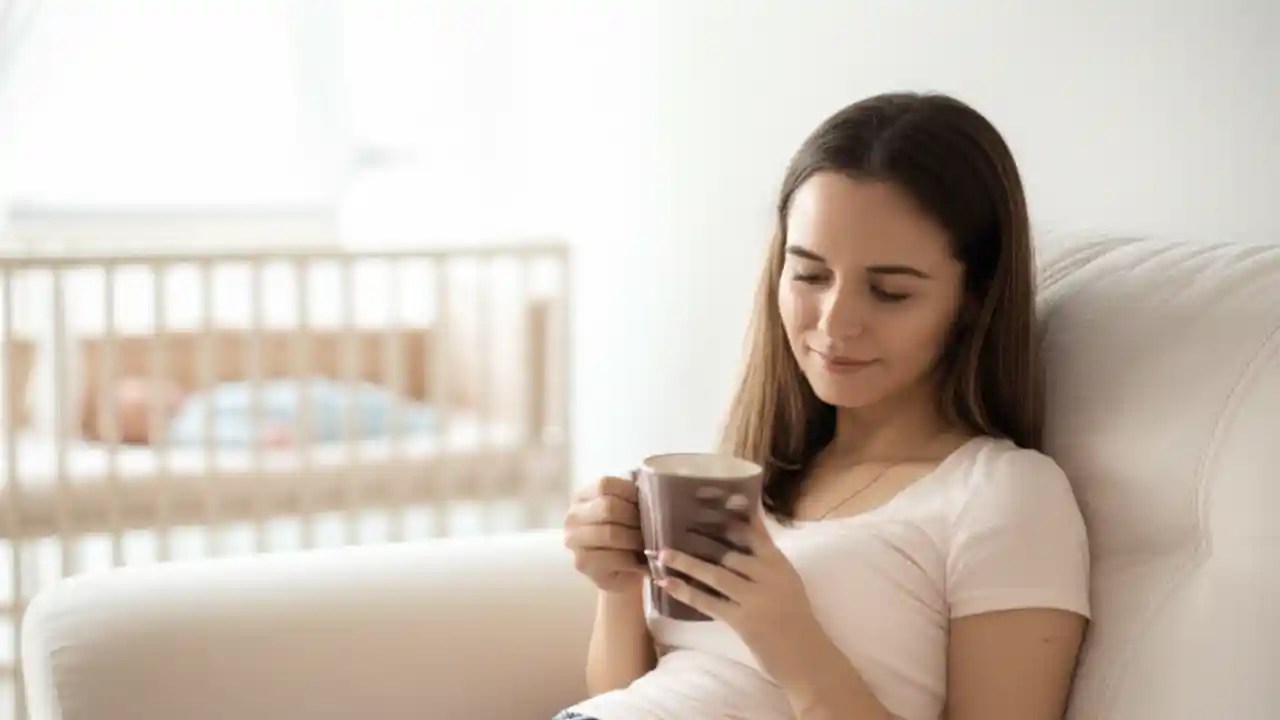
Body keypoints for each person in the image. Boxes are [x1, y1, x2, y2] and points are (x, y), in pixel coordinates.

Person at [557, 92, 1091, 720]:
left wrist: (788, 635)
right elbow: (629, 696)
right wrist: (619, 587)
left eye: (889, 292)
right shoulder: (750, 477)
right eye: (809, 276)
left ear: (973, 297)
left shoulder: (1004, 493)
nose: (835, 323)